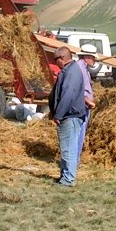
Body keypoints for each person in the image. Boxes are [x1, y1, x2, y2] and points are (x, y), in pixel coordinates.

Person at [47, 46, 89, 187]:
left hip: (69, 116)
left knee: (68, 149)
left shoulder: (71, 72)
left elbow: (68, 95)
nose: (55, 62)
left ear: (63, 58)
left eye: (56, 59)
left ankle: (68, 179)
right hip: (69, 115)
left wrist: (58, 114)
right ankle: (65, 176)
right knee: (67, 148)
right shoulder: (70, 70)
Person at [76, 43, 98, 156]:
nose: (94, 60)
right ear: (87, 57)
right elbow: (78, 87)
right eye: (93, 57)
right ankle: (74, 161)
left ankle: (75, 160)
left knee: (81, 132)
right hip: (82, 104)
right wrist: (87, 100)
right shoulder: (79, 67)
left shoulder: (85, 68)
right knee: (79, 133)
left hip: (85, 104)